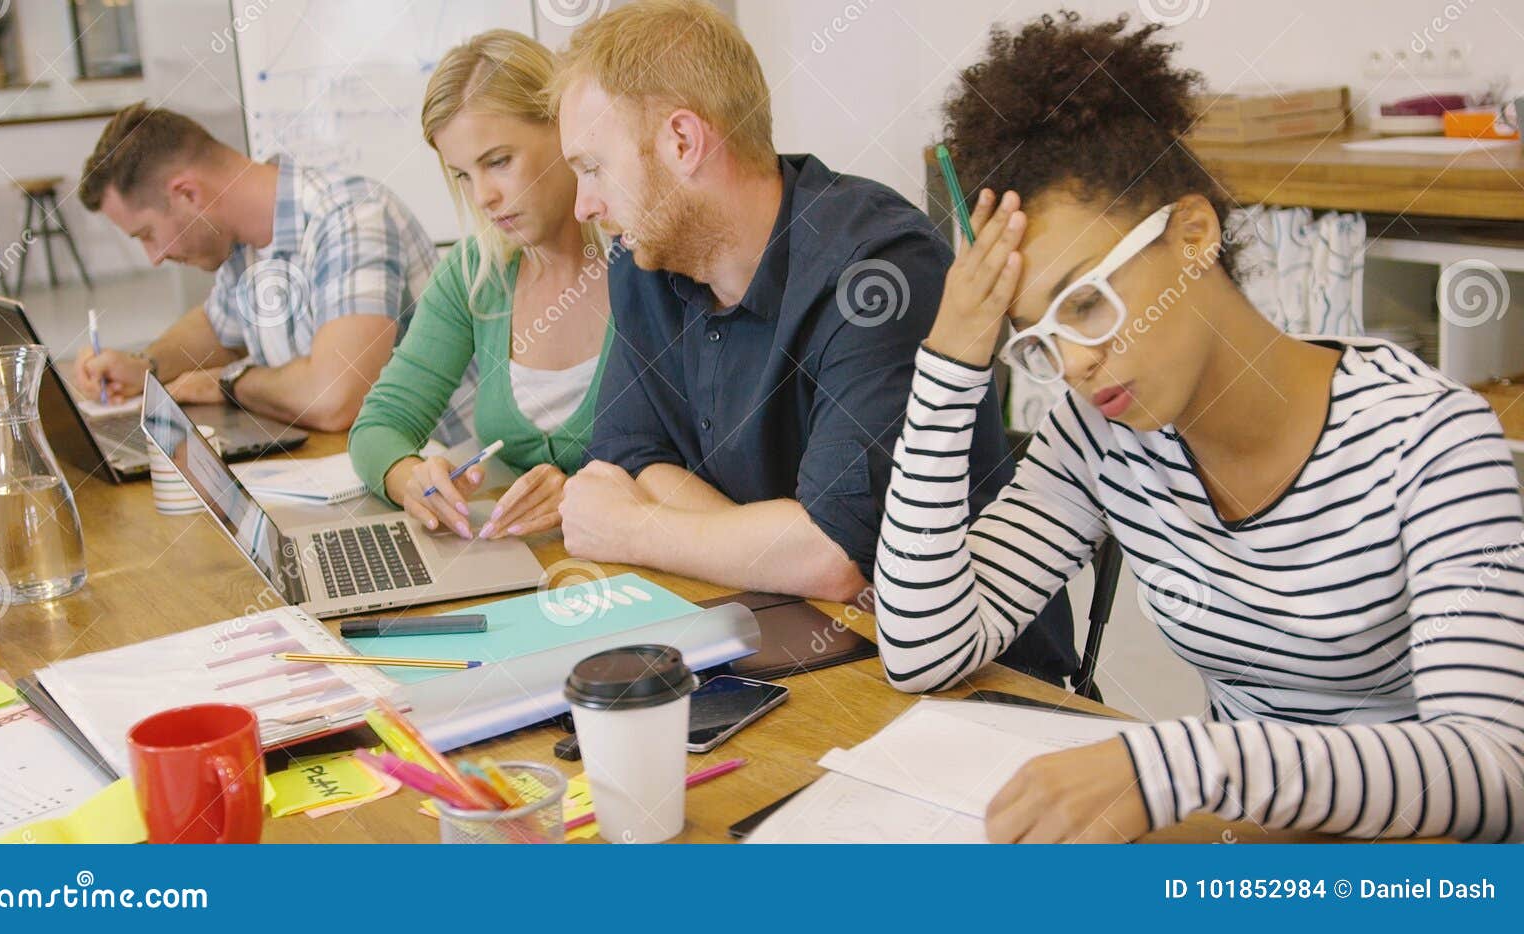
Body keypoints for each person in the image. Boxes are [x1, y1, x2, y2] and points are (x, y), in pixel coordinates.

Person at [874, 12, 1524, 842]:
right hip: (1239, 850)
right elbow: (923, 648)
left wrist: (1181, 765)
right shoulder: (1102, 435)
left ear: (1193, 234)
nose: (1071, 363)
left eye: (1086, 303)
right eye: (1037, 337)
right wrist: (951, 361)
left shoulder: (1433, 442)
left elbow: (1494, 773)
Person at [549, 0, 1074, 684]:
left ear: (682, 142)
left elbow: (831, 553)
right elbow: (629, 458)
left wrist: (633, 530)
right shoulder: (645, 261)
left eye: (593, 167)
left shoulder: (879, 269)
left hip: (974, 689)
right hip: (774, 638)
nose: (584, 204)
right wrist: (770, 550)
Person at [348, 31, 613, 540]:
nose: (484, 197)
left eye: (498, 162)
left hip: (645, 575)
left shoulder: (642, 258)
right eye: (463, 176)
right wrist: (412, 478)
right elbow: (379, 425)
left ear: (564, 126)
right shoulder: (476, 274)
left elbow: (704, 452)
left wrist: (585, 492)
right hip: (524, 565)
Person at [74, 103, 436, 432]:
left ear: (187, 193)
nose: (154, 257)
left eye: (148, 234)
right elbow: (217, 331)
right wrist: (143, 367)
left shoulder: (350, 216)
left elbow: (333, 401)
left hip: (442, 477)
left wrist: (228, 383)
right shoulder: (239, 240)